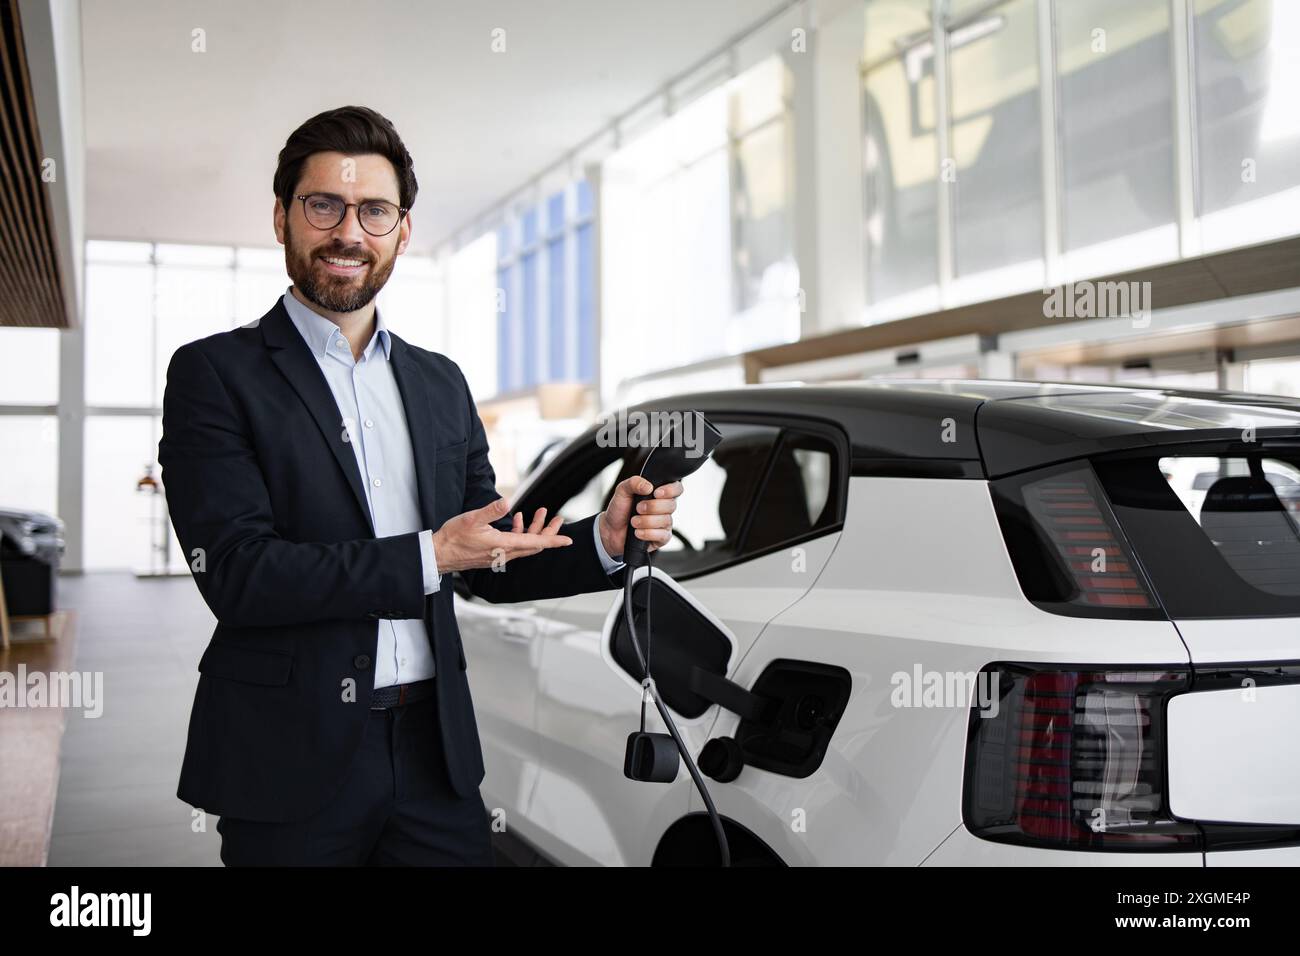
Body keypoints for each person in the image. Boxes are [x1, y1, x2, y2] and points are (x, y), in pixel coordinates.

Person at [156, 105, 682, 865]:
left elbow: (488, 556)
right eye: (323, 206)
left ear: (403, 231)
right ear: (282, 219)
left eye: (375, 211)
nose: (348, 233)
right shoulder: (214, 374)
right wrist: (431, 555)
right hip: (290, 754)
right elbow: (238, 573)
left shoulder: (440, 382)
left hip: (435, 753)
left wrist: (598, 538)